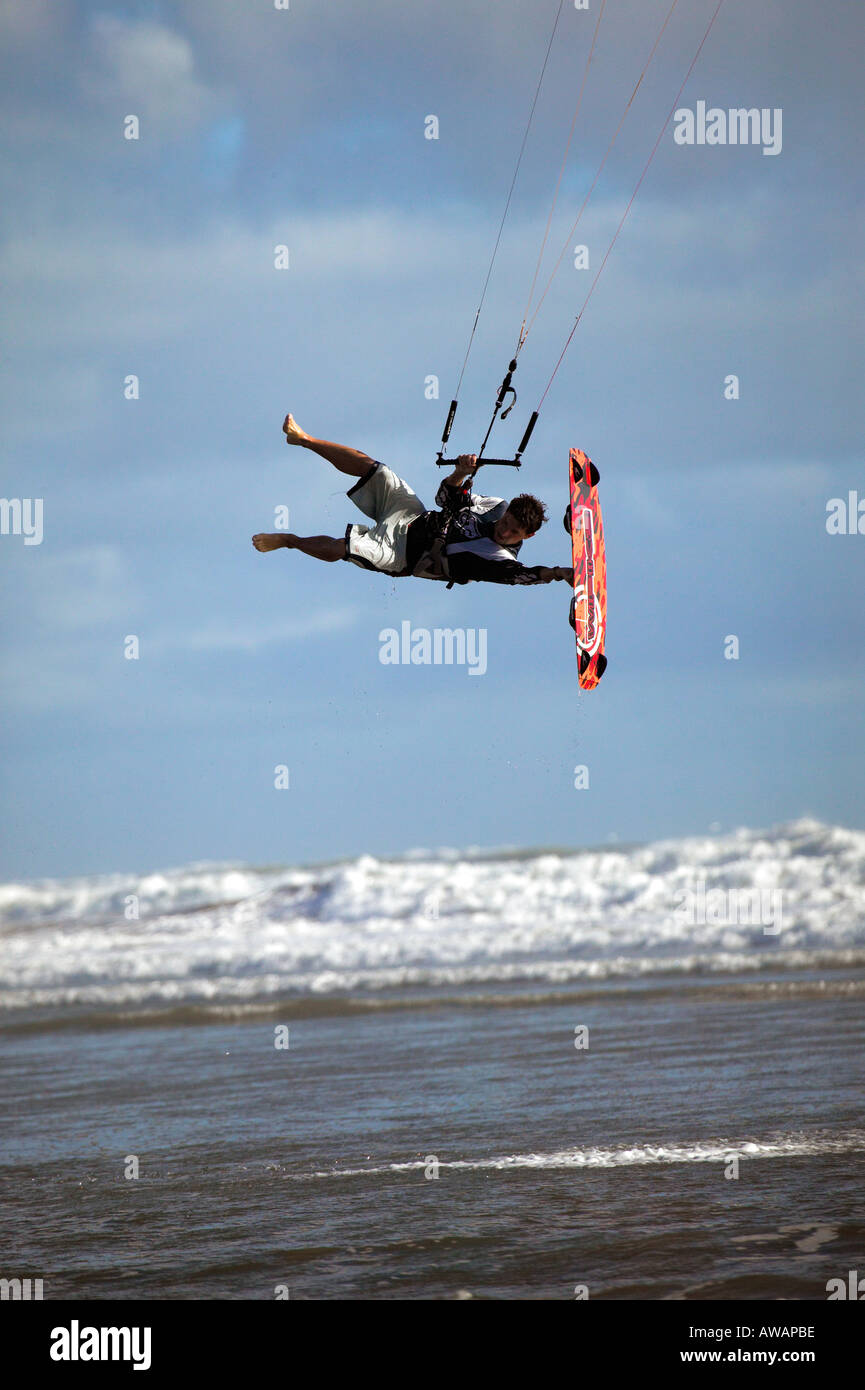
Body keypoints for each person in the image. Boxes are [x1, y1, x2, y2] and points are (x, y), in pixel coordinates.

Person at [252, 414, 575, 587]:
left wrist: (562, 573)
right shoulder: (498, 506)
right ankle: (305, 440)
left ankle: (289, 539)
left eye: (513, 532)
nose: (503, 531)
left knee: (341, 548)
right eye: (506, 524)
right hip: (413, 515)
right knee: (375, 468)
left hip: (404, 556)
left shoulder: (501, 560)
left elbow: (529, 576)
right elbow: (445, 498)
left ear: (526, 536)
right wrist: (459, 474)